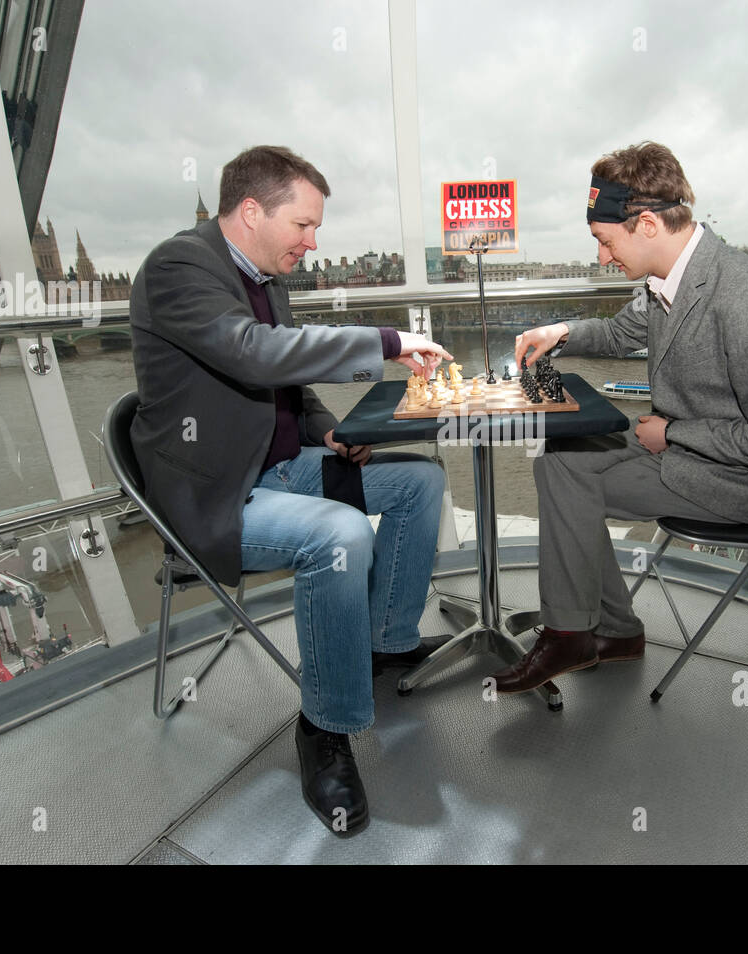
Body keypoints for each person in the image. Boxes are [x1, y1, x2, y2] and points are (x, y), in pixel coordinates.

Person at [128, 145, 452, 836]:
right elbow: (252, 353)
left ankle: (384, 639)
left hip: (283, 466)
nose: (313, 241)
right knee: (337, 535)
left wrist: (329, 432)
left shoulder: (266, 276)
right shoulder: (178, 267)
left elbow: (287, 384)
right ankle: (323, 729)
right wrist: (388, 341)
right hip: (219, 492)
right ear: (252, 210)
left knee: (420, 480)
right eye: (304, 225)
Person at [491, 141, 748, 693]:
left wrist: (673, 431)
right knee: (558, 462)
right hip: (685, 448)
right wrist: (561, 333)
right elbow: (620, 333)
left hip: (733, 479)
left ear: (644, 224)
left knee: (567, 480)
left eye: (604, 241)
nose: (601, 258)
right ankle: (611, 631)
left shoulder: (746, 299)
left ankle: (574, 634)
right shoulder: (668, 281)